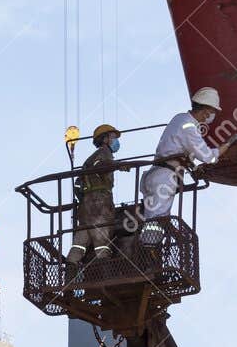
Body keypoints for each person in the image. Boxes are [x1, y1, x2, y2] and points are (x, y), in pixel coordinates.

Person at [139, 87, 224, 245]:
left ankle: (150, 252)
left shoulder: (180, 119)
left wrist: (191, 165)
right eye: (212, 111)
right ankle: (148, 251)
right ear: (206, 111)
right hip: (165, 177)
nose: (211, 116)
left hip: (157, 174)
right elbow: (207, 157)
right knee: (156, 221)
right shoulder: (189, 127)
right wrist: (226, 146)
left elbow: (177, 148)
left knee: (156, 218)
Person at [66, 123, 120, 264]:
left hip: (86, 207)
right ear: (105, 139)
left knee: (79, 244)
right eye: (113, 137)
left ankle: (69, 276)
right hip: (99, 204)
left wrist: (85, 199)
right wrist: (118, 165)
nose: (116, 140)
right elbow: (101, 166)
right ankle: (104, 274)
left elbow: (78, 185)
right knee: (102, 243)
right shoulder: (104, 153)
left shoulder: (93, 157)